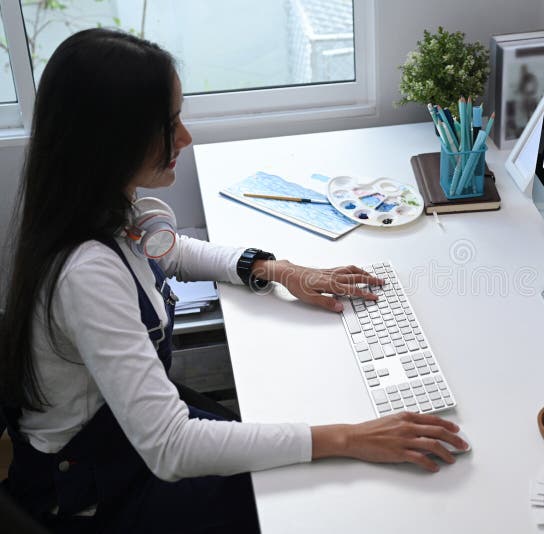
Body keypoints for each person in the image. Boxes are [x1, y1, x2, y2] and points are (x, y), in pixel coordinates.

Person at [0, 29, 466, 533]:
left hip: (126, 442)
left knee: (300, 449)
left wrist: (278, 270)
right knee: (318, 498)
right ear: (112, 138)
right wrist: (348, 438)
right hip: (98, 494)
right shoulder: (87, 273)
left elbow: (170, 252)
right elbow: (172, 447)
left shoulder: (99, 208)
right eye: (169, 124)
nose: (185, 137)